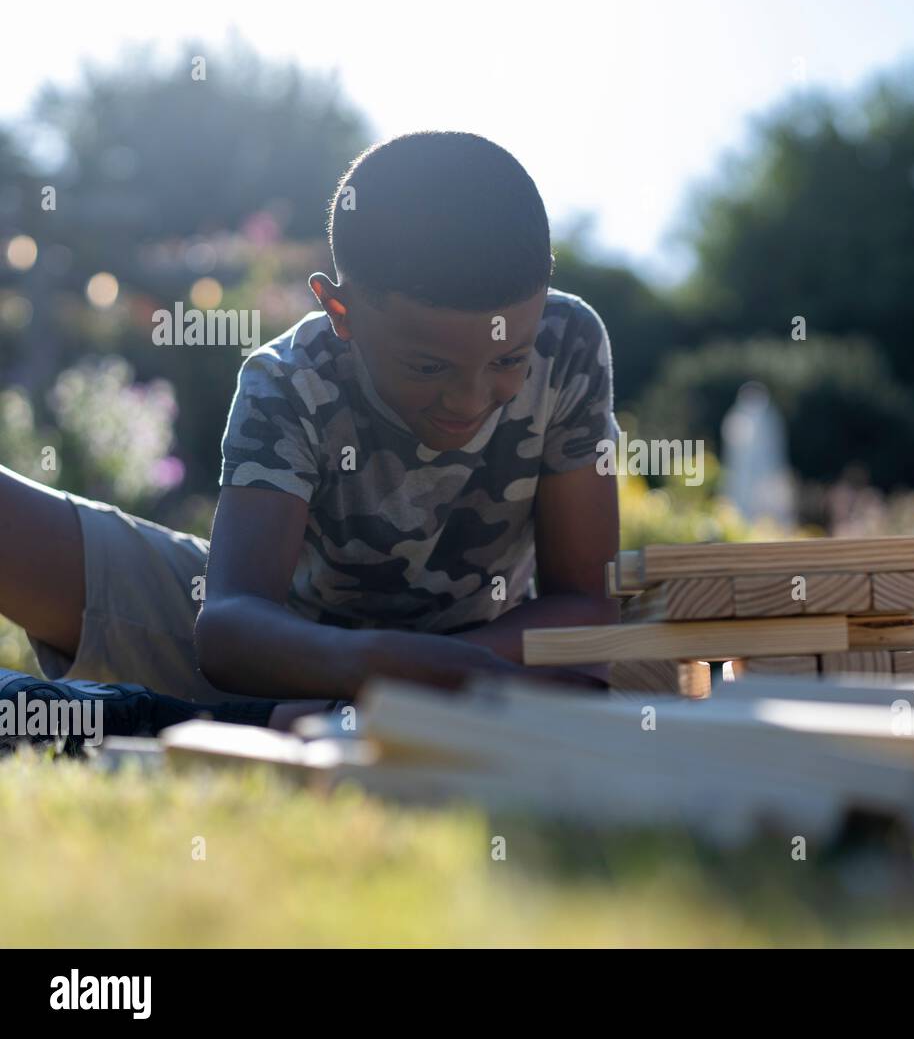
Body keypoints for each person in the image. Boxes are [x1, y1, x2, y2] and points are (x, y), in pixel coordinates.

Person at [0, 131, 620, 748]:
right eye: (428, 367)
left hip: (485, 649)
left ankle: (194, 722)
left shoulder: (568, 344)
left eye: (509, 359)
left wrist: (443, 670)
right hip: (288, 647)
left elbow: (585, 601)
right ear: (339, 310)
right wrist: (393, 669)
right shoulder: (288, 379)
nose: (470, 399)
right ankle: (271, 718)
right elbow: (228, 630)